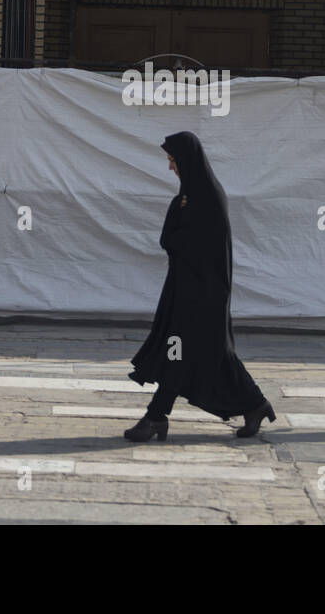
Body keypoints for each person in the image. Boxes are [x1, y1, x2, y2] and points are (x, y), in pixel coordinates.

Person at [125, 131, 275, 441]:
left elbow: (189, 245)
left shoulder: (207, 199)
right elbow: (170, 241)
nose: (171, 167)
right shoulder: (189, 197)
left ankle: (156, 417)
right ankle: (254, 405)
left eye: (173, 161)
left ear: (187, 160)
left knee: (186, 353)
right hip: (186, 293)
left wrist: (178, 218)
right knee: (189, 354)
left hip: (203, 297)